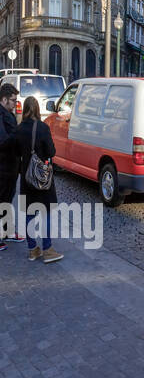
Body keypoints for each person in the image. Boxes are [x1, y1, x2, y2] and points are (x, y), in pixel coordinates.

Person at [14, 97, 62, 263]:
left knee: (29, 213)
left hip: (27, 178)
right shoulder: (42, 128)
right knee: (46, 212)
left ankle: (33, 249)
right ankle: (48, 249)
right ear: (37, 109)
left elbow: (15, 152)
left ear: (25, 109)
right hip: (42, 178)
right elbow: (51, 151)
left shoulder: (19, 129)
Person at [0, 83, 20, 249]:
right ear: (4, 99)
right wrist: (18, 138)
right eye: (13, 100)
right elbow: (3, 140)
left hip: (11, 166)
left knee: (7, 199)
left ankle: (7, 232)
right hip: (2, 166)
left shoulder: (9, 113)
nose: (15, 103)